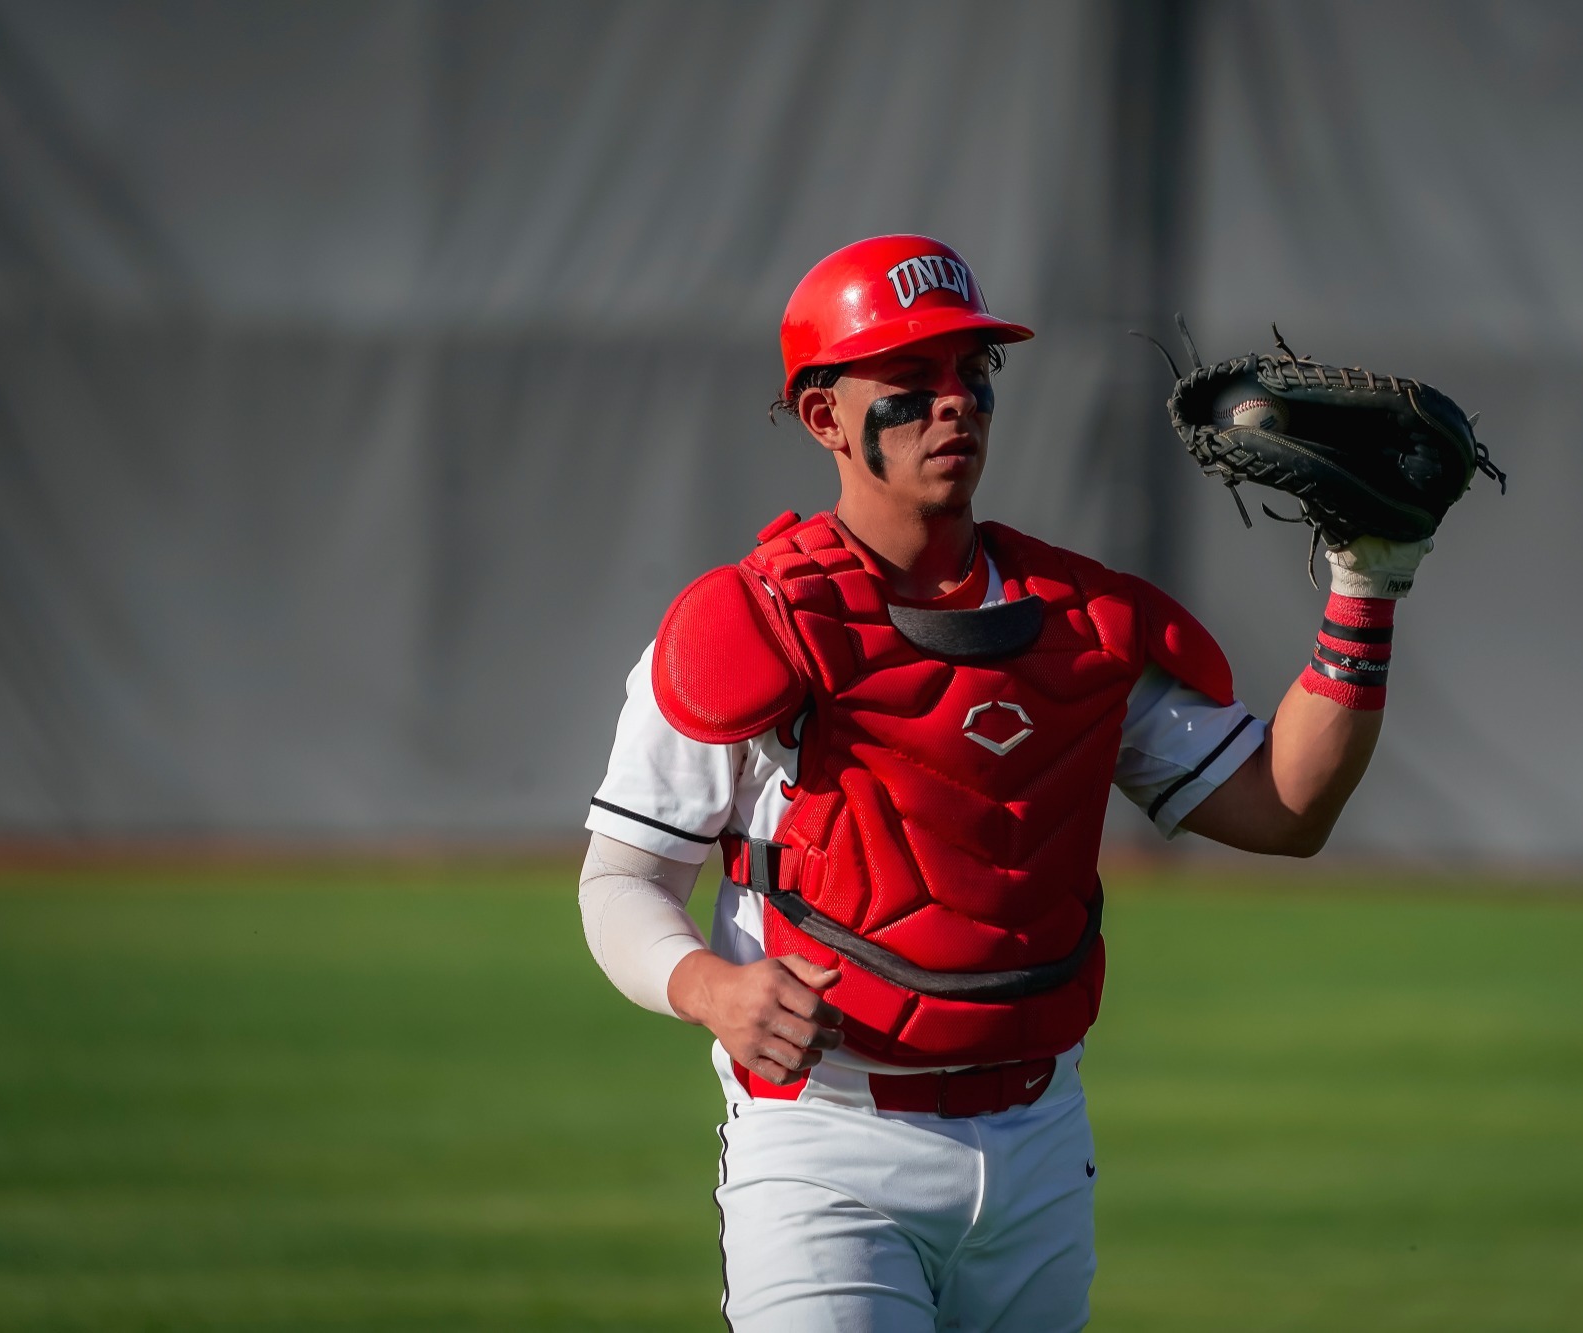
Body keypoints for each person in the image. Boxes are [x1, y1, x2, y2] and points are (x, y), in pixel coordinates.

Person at [578, 235, 1418, 1331]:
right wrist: (710, 988)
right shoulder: (751, 627)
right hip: (827, 1143)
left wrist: (1366, 582)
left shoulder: (1076, 627)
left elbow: (1285, 809)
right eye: (910, 382)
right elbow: (619, 881)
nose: (954, 404)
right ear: (823, 416)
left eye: (972, 373)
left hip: (1036, 1140)